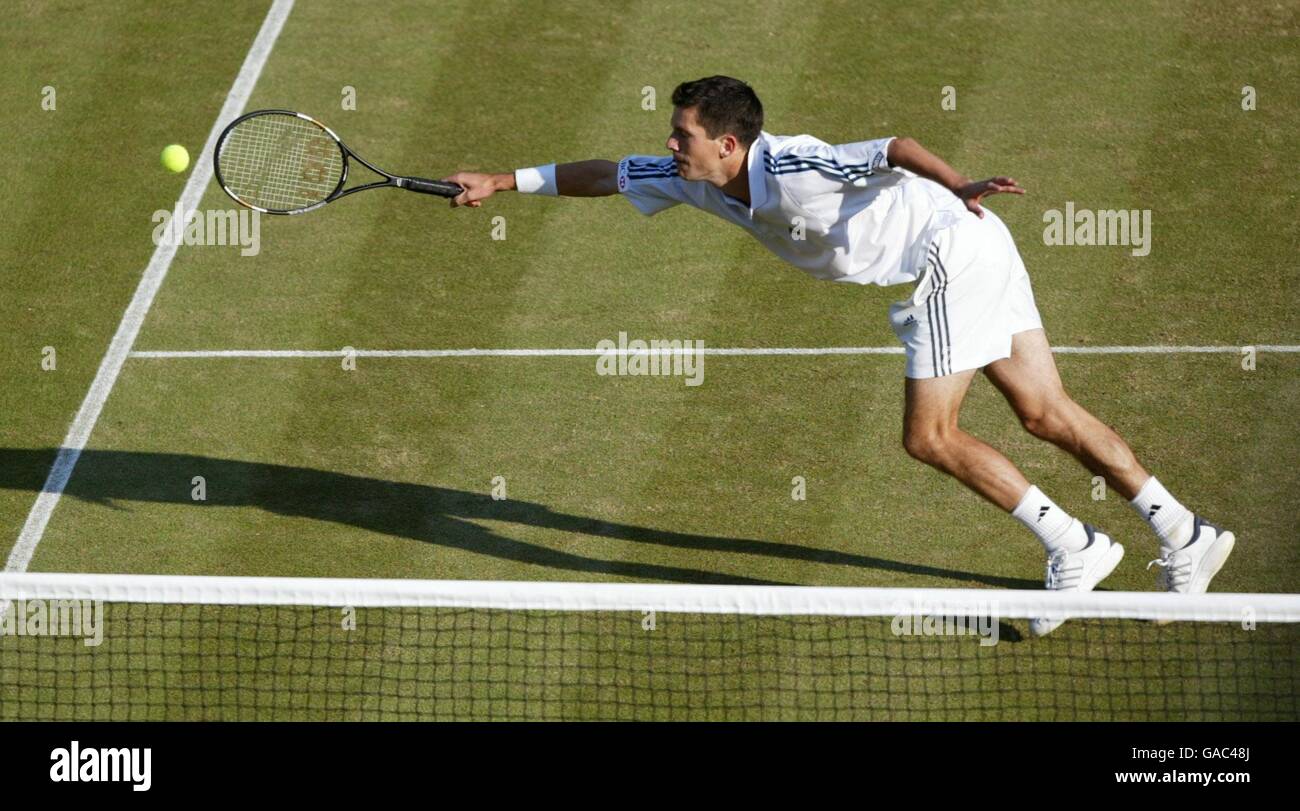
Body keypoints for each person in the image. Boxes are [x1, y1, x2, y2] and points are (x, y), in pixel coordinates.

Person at [441, 75, 1234, 635]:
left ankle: (1076, 544)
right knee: (1044, 413)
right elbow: (609, 174)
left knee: (930, 436)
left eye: (680, 135)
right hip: (973, 249)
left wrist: (962, 184)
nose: (668, 145)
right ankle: (1185, 532)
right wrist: (502, 182)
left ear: (727, 143)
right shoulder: (692, 177)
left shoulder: (794, 164)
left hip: (949, 250)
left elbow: (894, 144)